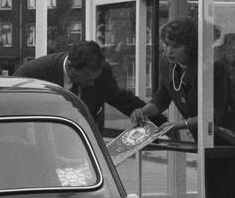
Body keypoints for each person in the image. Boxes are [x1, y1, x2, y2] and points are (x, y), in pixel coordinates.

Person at [132, 17, 235, 198]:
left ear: (190, 47)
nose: (169, 51)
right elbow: (162, 97)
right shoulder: (169, 65)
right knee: (215, 196)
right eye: (166, 45)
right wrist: (142, 112)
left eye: (175, 46)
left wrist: (177, 126)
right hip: (207, 141)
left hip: (231, 141)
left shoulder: (212, 68)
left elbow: (212, 114)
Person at [14, 40, 145, 132]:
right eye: (87, 78)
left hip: (84, 149)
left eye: (95, 78)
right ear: (70, 67)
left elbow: (119, 97)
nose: (92, 83)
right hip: (44, 149)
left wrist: (159, 123)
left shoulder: (102, 70)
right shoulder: (32, 74)